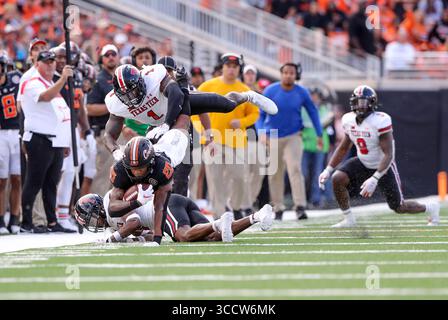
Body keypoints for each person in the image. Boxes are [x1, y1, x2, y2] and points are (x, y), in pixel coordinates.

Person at [318, 85, 440, 228]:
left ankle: (430, 207)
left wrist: (375, 178)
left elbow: (389, 154)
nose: (360, 106)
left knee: (399, 207)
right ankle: (349, 219)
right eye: (357, 102)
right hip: (363, 161)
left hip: (383, 164)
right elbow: (344, 146)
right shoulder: (348, 120)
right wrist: (328, 169)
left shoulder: (380, 121)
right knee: (337, 178)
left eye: (363, 102)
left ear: (372, 103)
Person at [198, 53, 261, 219]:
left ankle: (236, 206)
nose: (231, 70)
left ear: (239, 69)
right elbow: (194, 111)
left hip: (237, 142)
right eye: (228, 66)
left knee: (240, 177)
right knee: (215, 181)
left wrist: (241, 123)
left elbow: (254, 113)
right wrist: (203, 130)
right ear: (222, 67)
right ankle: (219, 216)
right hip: (213, 141)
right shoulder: (208, 86)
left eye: (235, 67)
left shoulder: (244, 90)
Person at [257, 62, 323, 221]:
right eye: (285, 72)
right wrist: (261, 132)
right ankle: (278, 207)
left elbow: (313, 112)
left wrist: (319, 134)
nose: (288, 75)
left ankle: (300, 206)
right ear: (281, 74)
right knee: (275, 173)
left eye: (291, 73)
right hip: (273, 135)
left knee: (295, 169)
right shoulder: (271, 90)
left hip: (294, 136)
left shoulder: (302, 92)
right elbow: (260, 115)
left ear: (296, 75)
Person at [20, 50, 75, 233]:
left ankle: (52, 222)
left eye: (53, 61)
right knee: (34, 182)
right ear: (37, 64)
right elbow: (45, 97)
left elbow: (61, 113)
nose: (51, 64)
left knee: (51, 183)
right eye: (47, 61)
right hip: (39, 138)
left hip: (55, 140)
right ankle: (26, 222)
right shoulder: (32, 82)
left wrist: (64, 140)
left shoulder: (50, 82)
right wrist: (63, 80)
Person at [74, 192, 274, 243]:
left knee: (183, 236)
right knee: (215, 236)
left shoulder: (112, 204)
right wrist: (139, 238)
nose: (94, 223)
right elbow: (147, 232)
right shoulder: (112, 223)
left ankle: (218, 222)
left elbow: (133, 221)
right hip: (174, 205)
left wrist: (113, 238)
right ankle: (257, 216)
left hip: (165, 206)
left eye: (91, 218)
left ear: (98, 208)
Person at [107, 135, 188, 245]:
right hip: (152, 153)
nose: (136, 172)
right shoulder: (120, 169)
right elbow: (112, 209)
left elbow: (160, 207)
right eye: (132, 168)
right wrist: (137, 202)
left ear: (151, 162)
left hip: (172, 148)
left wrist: (157, 239)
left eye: (141, 168)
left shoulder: (162, 168)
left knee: (180, 134)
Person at [85, 44, 120, 198]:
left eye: (114, 54)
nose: (111, 57)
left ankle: (110, 211)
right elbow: (90, 108)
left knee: (116, 175)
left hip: (119, 134)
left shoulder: (119, 78)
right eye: (107, 55)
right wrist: (113, 106)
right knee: (103, 174)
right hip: (103, 134)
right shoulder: (99, 80)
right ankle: (96, 212)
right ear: (102, 59)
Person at [301, 87, 334, 208]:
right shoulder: (304, 109)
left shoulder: (325, 109)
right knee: (302, 173)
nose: (313, 98)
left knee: (317, 173)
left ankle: (316, 199)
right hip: (305, 145)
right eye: (311, 95)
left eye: (315, 95)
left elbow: (325, 125)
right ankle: (302, 200)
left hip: (320, 147)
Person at [0, 53, 22, 234]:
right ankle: (1, 220)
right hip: (1, 134)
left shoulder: (16, 80)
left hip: (16, 132)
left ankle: (15, 218)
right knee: (2, 179)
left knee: (17, 177)